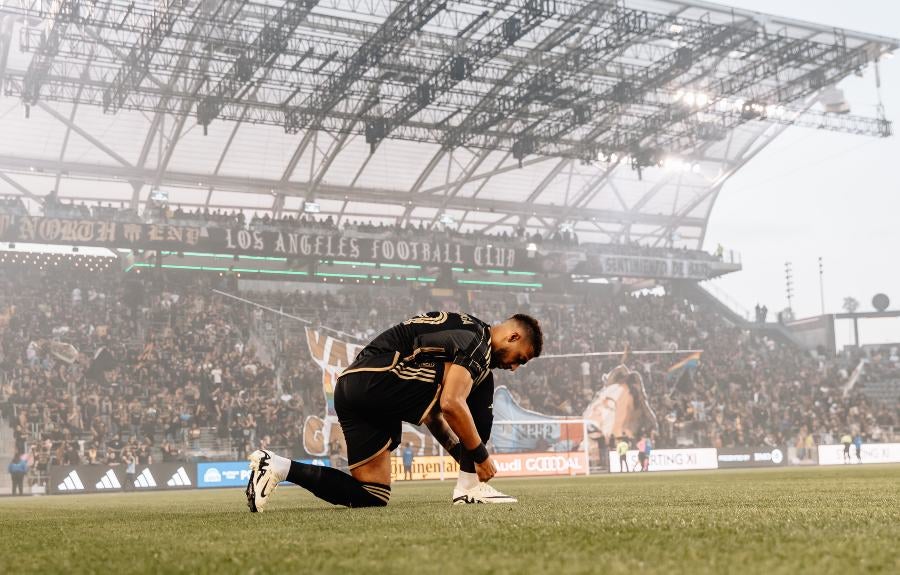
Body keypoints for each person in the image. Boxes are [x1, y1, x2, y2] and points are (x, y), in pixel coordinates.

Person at [245, 311, 543, 510]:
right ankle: (468, 489)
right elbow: (451, 403)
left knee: (372, 495)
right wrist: (480, 457)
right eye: (521, 359)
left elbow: (434, 415)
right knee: (481, 381)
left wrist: (461, 453)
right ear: (513, 337)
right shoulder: (479, 342)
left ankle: (276, 466)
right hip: (378, 375)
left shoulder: (467, 333)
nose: (515, 367)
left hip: (356, 387)